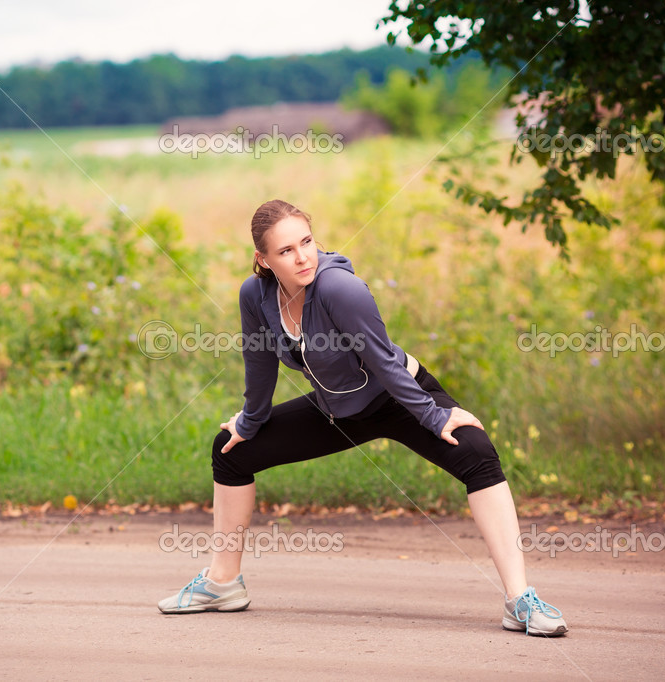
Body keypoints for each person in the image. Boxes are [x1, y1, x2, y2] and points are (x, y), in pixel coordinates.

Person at [157, 199, 568, 637]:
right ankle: (222, 584)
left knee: (476, 452)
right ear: (263, 259)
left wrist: (434, 416)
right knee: (229, 451)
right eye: (286, 251)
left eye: (307, 242)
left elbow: (385, 363)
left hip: (397, 397)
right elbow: (259, 366)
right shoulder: (255, 296)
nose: (302, 257)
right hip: (338, 410)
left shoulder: (339, 289)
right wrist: (249, 422)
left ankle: (519, 599)